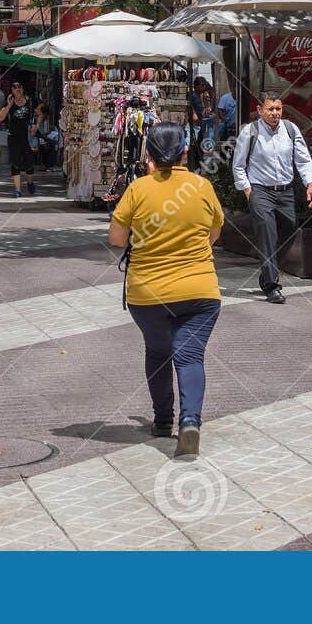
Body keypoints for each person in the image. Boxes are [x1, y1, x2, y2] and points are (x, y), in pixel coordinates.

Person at [108, 121, 225, 458]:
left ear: (149, 154)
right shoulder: (201, 187)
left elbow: (116, 239)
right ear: (185, 152)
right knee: (190, 355)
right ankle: (190, 422)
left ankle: (162, 420)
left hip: (148, 294)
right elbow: (214, 234)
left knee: (158, 352)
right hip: (199, 290)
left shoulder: (138, 190)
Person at [231, 91, 312, 303]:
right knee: (267, 233)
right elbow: (238, 165)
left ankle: (266, 272)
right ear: (260, 110)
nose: (275, 113)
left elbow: (303, 159)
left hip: (285, 191)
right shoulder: (249, 132)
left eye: (278, 109)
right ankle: (272, 286)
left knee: (289, 229)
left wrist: (310, 183)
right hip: (260, 190)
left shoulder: (290, 129)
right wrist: (248, 190)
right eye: (270, 109)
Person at [0, 81, 38, 197]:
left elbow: (41, 113)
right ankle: (18, 190)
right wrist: (9, 105)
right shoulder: (9, 103)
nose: (17, 89)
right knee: (15, 162)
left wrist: (37, 125)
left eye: (19, 87)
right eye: (14, 87)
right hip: (13, 137)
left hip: (28, 137)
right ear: (12, 90)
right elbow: (0, 118)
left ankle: (30, 183)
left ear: (23, 88)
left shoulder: (30, 101)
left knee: (29, 162)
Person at [188, 76, 217, 170]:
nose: (204, 87)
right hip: (194, 126)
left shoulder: (199, 95)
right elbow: (191, 108)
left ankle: (199, 165)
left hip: (200, 125)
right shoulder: (192, 95)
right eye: (202, 85)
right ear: (196, 86)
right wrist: (195, 114)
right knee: (195, 147)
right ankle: (196, 166)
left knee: (199, 146)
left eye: (204, 85)